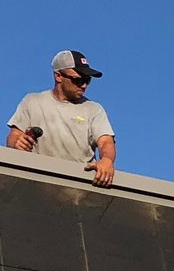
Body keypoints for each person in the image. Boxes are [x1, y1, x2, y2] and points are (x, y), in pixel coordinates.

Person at [6, 50, 117, 186]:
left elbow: (106, 141)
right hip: (37, 180)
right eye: (78, 80)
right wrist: (17, 143)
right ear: (58, 76)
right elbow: (14, 136)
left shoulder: (93, 109)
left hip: (79, 184)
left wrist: (106, 160)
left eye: (88, 80)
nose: (84, 85)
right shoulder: (32, 101)